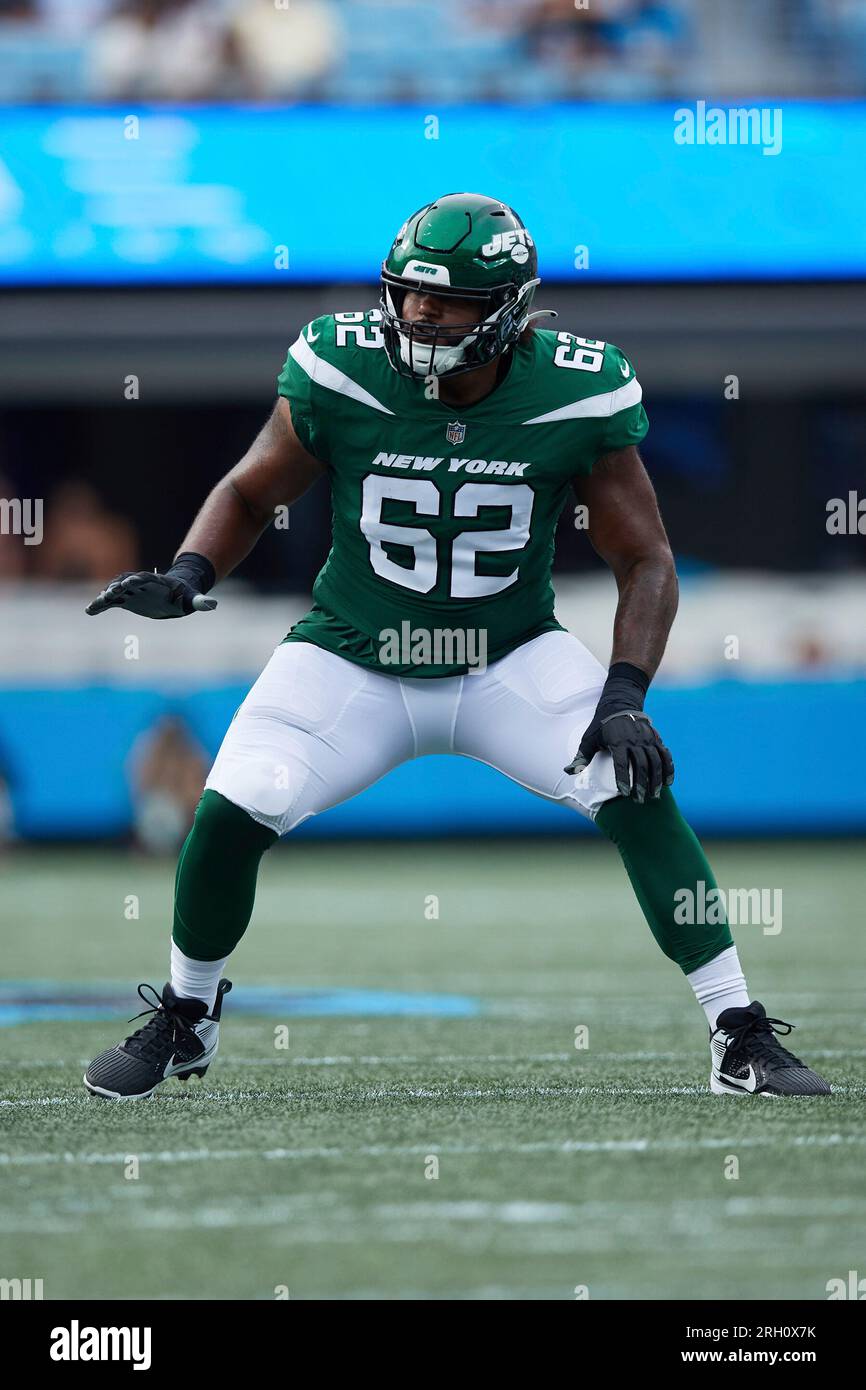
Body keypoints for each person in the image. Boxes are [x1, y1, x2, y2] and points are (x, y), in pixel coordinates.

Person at [82, 192, 830, 1100]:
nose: (420, 316)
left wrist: (625, 693)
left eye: (450, 303)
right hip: (351, 651)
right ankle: (187, 1016)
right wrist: (191, 574)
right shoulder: (340, 364)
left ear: (511, 311)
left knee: (632, 784)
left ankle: (736, 1030)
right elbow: (248, 491)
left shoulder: (575, 389)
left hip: (508, 656)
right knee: (233, 806)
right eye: (409, 295)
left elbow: (647, 560)